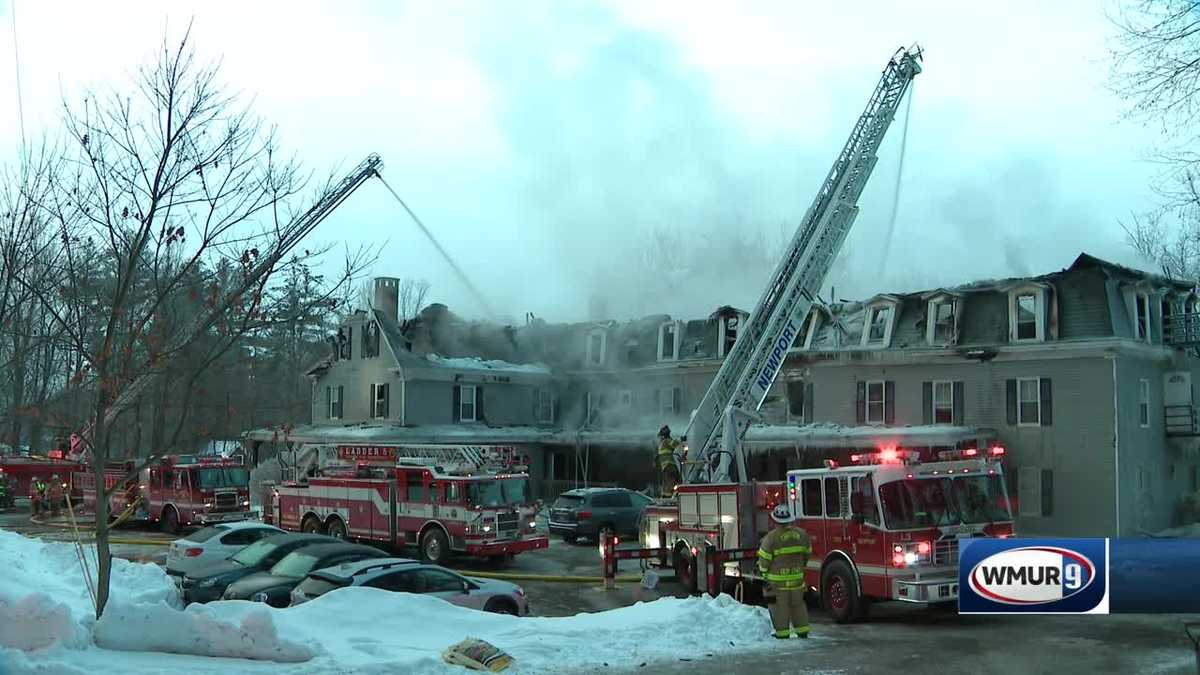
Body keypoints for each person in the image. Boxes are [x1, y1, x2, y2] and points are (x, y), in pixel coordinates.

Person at [757, 503, 812, 639]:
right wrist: (800, 567)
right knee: (798, 606)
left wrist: (763, 573)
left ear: (775, 520)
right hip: (797, 581)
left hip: (777, 584)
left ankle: (782, 634)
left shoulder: (770, 538)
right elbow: (807, 554)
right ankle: (803, 630)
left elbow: (764, 561)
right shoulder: (802, 534)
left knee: (779, 608)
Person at [656, 426, 681, 498]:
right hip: (670, 466)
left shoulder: (663, 443)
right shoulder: (667, 441)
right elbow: (676, 444)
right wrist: (681, 440)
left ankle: (667, 497)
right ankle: (671, 496)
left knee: (668, 484)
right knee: (674, 482)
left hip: (666, 467)